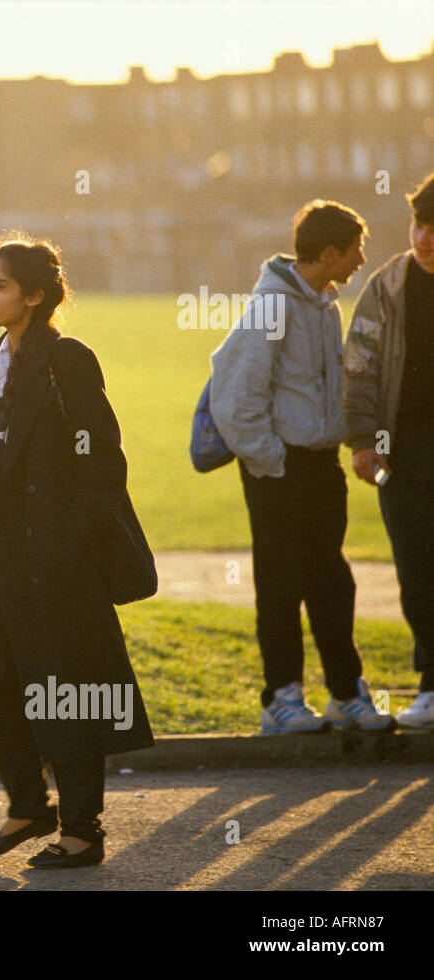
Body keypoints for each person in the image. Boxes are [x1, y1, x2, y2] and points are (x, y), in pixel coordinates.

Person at [0, 235, 154, 869]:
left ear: (35, 296)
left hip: (58, 557)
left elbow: (100, 459)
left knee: (66, 685)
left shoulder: (67, 361)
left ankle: (81, 830)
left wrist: (72, 538)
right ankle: (27, 803)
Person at [209, 200, 394, 735]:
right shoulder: (272, 305)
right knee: (280, 584)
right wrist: (272, 461)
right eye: (356, 249)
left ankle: (345, 694)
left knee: (332, 581)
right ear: (331, 252)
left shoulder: (323, 304)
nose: (362, 259)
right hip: (280, 467)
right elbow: (236, 395)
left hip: (318, 465)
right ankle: (281, 701)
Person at [343, 172, 434, 729]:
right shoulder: (388, 285)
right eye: (420, 224)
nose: (425, 238)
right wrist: (361, 440)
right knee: (417, 569)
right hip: (402, 455)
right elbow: (360, 366)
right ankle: (431, 681)